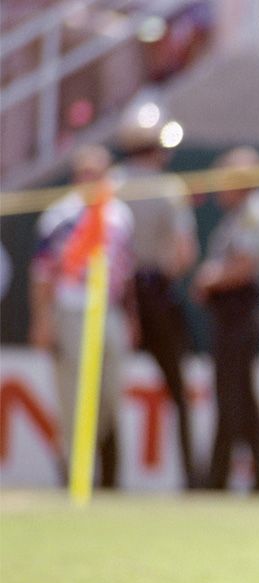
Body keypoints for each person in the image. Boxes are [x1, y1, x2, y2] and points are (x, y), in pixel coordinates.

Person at [29, 145, 136, 491]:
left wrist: (132, 315)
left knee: (109, 394)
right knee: (72, 394)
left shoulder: (120, 215)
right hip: (71, 309)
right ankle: (74, 470)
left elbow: (127, 271)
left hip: (109, 311)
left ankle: (90, 458)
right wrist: (43, 319)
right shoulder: (59, 216)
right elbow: (43, 274)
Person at [114, 105, 200, 490]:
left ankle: (106, 476)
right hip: (155, 294)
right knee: (177, 390)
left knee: (105, 384)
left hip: (114, 294)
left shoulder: (110, 185)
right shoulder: (168, 189)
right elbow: (184, 254)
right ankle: (191, 477)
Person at [191, 147, 259, 493]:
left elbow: (245, 265)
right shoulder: (242, 212)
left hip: (240, 313)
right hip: (231, 314)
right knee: (237, 396)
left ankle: (225, 476)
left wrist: (210, 279)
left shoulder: (253, 212)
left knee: (234, 396)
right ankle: (237, 476)